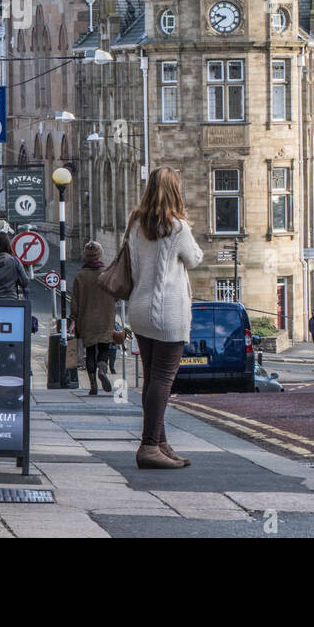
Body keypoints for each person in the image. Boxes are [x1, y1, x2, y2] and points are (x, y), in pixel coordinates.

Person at [126, 166, 204, 469]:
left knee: (151, 377)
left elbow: (133, 267)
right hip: (168, 313)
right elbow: (195, 258)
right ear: (175, 191)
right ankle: (148, 445)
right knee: (163, 379)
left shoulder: (135, 224)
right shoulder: (177, 227)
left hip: (139, 310)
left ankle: (159, 442)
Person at [71, 241, 116, 396]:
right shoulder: (107, 274)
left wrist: (73, 319)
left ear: (86, 255)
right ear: (100, 254)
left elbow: (75, 301)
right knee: (104, 348)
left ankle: (93, 386)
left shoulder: (80, 276)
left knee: (90, 351)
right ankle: (102, 370)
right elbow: (116, 295)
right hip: (105, 317)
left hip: (86, 319)